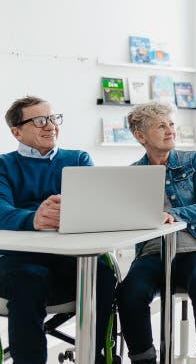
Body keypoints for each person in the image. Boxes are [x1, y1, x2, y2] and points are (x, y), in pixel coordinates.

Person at [0, 95, 116, 364]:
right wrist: (33, 219)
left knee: (103, 274)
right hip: (19, 260)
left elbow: (95, 205)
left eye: (53, 118)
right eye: (40, 120)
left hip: (71, 259)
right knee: (29, 280)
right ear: (16, 132)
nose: (51, 126)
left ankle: (93, 356)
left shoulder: (78, 159)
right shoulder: (4, 165)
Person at [116, 102, 196, 364]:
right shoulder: (134, 173)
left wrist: (172, 214)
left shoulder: (193, 161)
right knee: (128, 293)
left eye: (171, 124)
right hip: (154, 253)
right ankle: (144, 360)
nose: (170, 130)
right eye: (161, 126)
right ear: (140, 136)